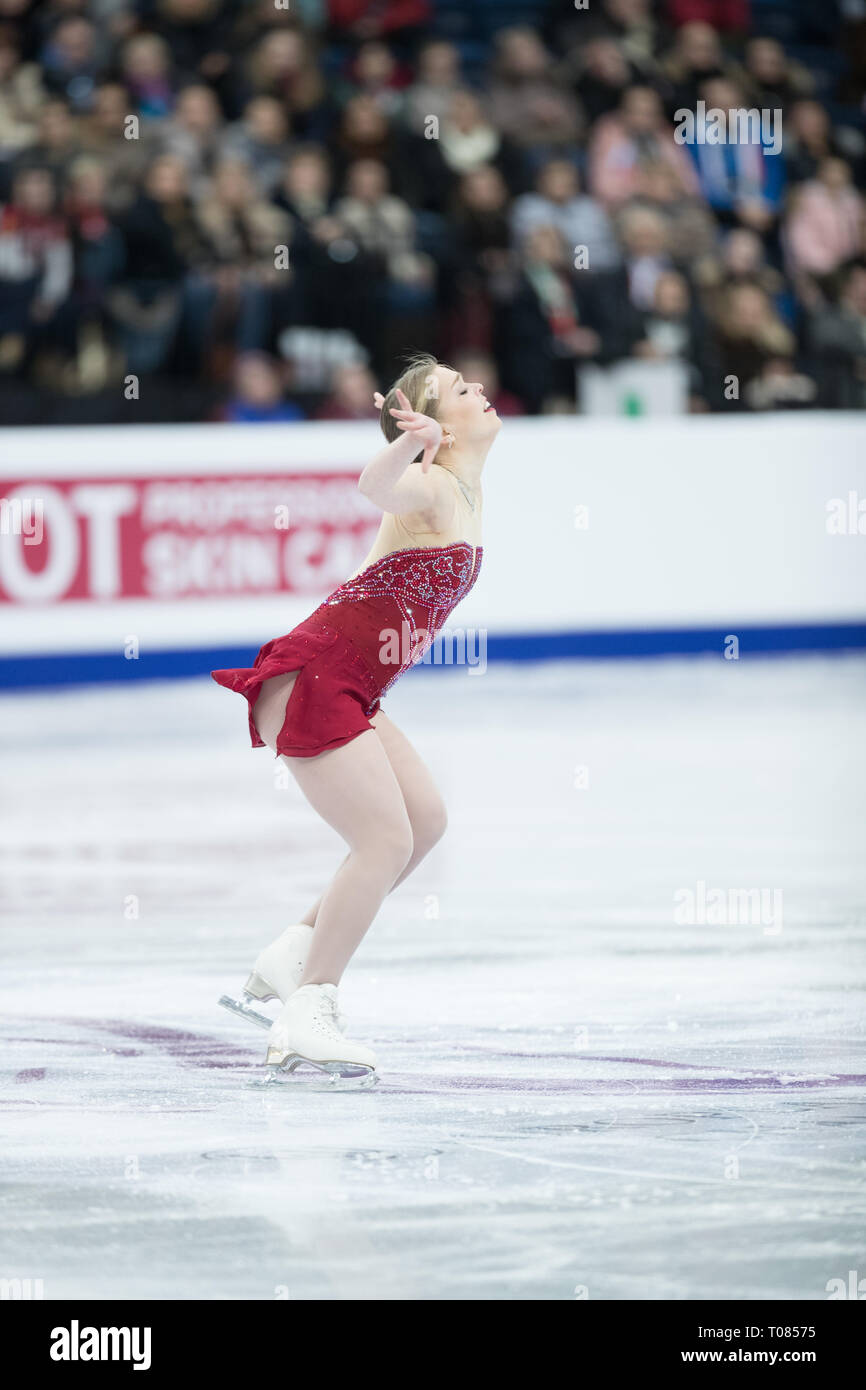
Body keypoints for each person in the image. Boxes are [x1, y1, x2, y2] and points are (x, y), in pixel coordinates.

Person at [211, 353, 500, 1082]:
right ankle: (309, 1009)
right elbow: (373, 485)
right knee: (384, 839)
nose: (481, 391)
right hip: (317, 675)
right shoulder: (429, 482)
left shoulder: (462, 488)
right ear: (435, 424)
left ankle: (294, 952)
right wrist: (409, 443)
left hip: (352, 685)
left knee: (423, 823)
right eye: (460, 390)